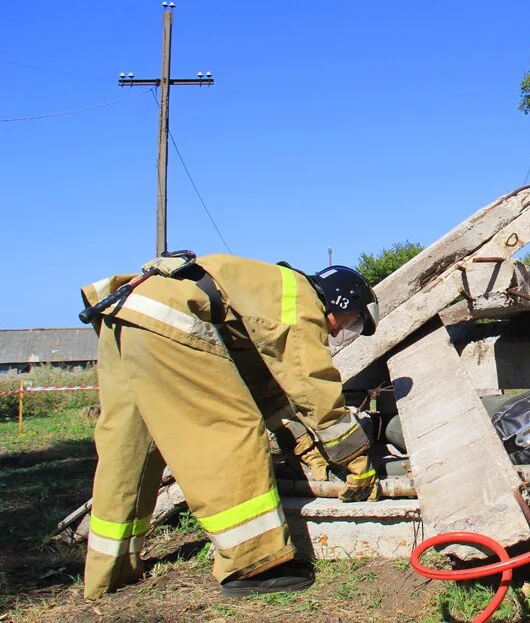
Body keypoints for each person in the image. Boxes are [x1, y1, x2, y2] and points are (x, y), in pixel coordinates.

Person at [80, 254, 380, 599]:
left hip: (129, 316)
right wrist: (358, 460)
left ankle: (108, 571)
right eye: (352, 320)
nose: (342, 330)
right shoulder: (302, 301)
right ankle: (254, 564)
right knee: (231, 429)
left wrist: (310, 452)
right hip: (170, 320)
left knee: (131, 450)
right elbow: (315, 388)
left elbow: (268, 393)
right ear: (342, 299)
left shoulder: (263, 296)